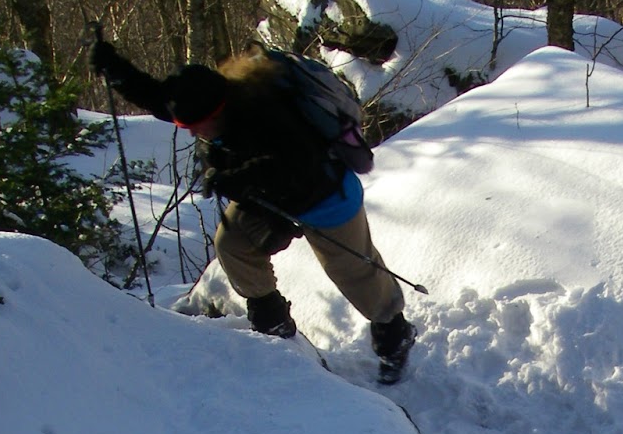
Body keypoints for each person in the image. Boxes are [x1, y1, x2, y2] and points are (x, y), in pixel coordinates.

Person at [90, 38, 415, 384]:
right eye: (188, 127)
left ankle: (394, 334)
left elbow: (295, 166)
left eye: (198, 125)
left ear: (219, 110)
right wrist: (115, 69)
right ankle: (272, 322)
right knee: (232, 243)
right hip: (267, 196)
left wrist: (237, 178)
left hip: (324, 193)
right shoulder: (201, 99)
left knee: (353, 270)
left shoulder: (265, 112)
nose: (195, 132)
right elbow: (156, 97)